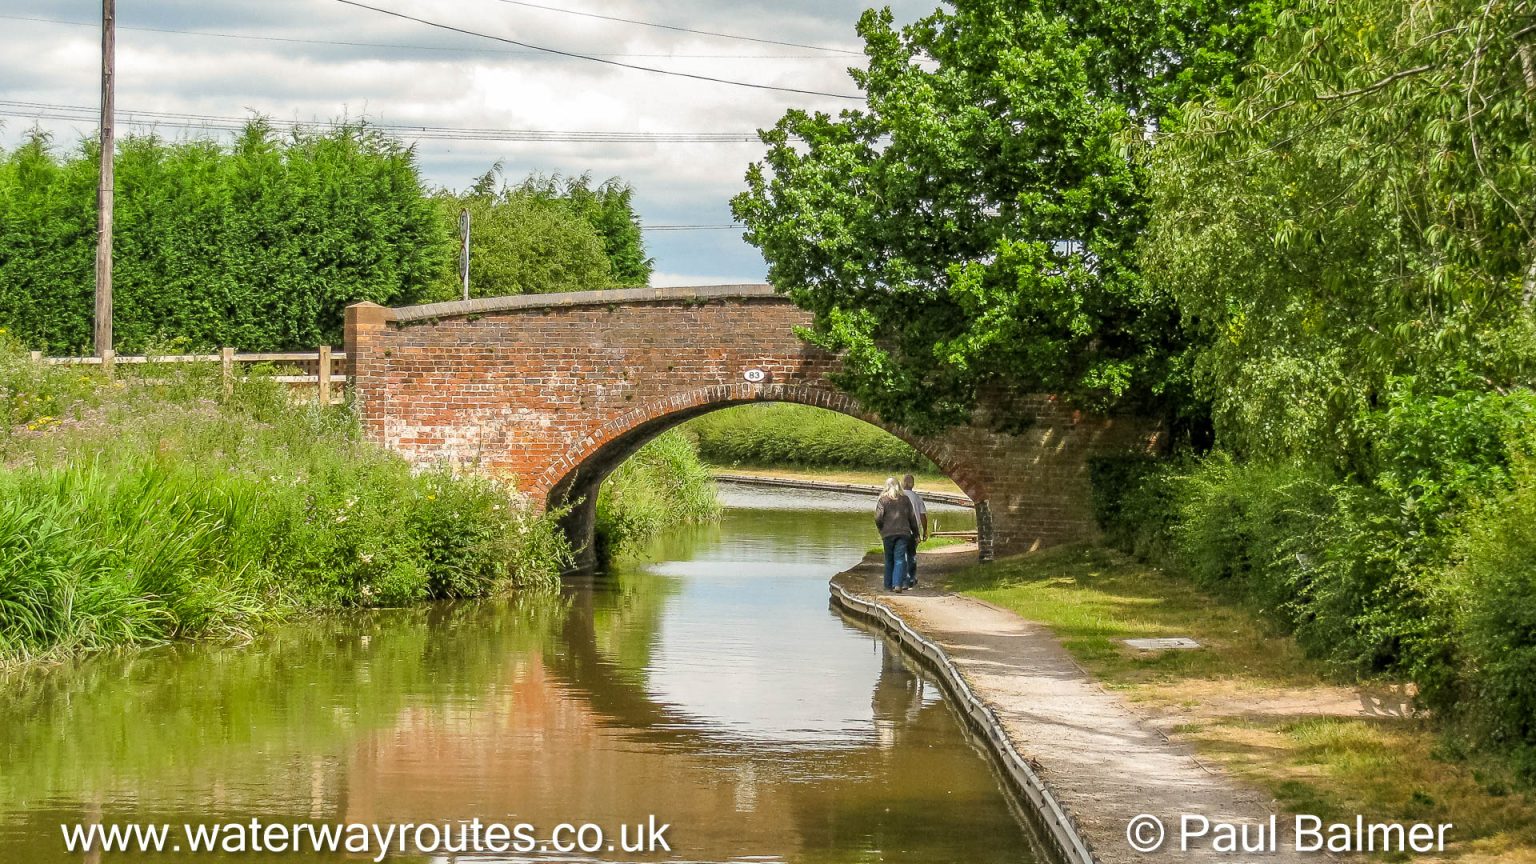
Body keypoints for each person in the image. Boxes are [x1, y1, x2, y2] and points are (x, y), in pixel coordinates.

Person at [874, 477, 920, 592]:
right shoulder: (905, 499)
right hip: (903, 532)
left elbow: (878, 517)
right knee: (899, 558)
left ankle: (888, 585)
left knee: (889, 559)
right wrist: (916, 533)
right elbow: (912, 518)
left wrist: (881, 529)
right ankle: (897, 585)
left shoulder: (882, 500)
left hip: (888, 533)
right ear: (899, 486)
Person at [901, 474, 928, 588]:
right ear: (913, 484)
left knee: (901, 555)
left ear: (903, 484)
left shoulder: (898, 496)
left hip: (900, 529)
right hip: (913, 530)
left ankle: (902, 579)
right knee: (911, 555)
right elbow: (923, 516)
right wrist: (925, 531)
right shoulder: (917, 498)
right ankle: (910, 578)